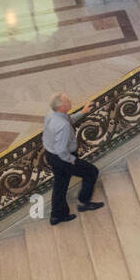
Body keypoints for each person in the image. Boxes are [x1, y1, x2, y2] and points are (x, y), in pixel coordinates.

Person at [43, 93, 103, 226]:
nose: (70, 101)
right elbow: (61, 149)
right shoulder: (63, 126)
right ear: (61, 107)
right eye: (67, 101)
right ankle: (84, 202)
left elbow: (68, 119)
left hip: (51, 155)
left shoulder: (51, 114)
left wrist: (82, 112)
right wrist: (72, 160)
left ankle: (57, 215)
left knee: (61, 183)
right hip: (63, 158)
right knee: (91, 172)